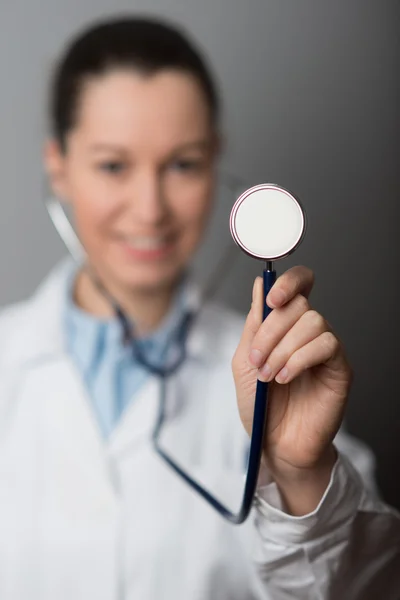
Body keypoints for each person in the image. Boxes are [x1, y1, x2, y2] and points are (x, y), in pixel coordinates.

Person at [0, 15, 398, 600]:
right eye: (113, 165)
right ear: (58, 165)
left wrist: (301, 475)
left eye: (182, 164)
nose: (150, 209)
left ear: (215, 160)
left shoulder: (285, 377)